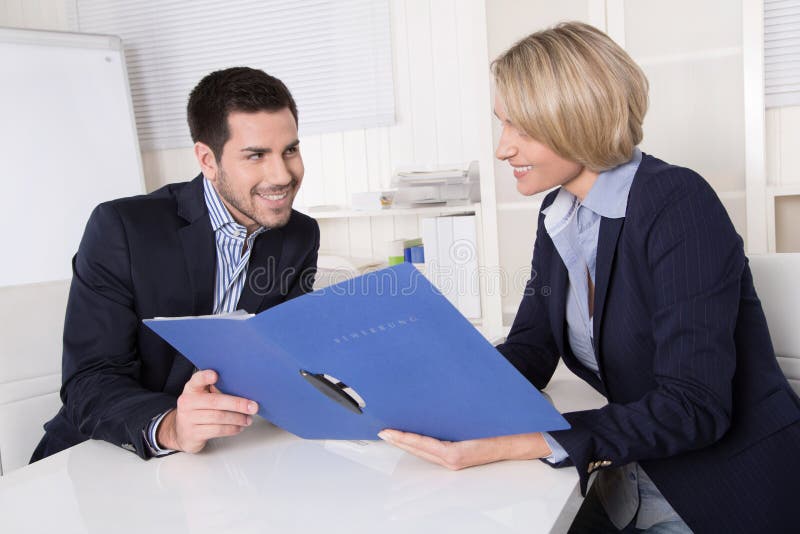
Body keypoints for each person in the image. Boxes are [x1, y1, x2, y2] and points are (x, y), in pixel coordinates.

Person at [378, 22, 799, 532]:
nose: (502, 149)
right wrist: (448, 395)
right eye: (502, 125)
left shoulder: (677, 203)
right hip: (624, 481)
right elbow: (532, 347)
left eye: (522, 129)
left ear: (577, 120)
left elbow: (694, 406)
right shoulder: (561, 213)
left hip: (721, 493)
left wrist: (512, 443)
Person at [32, 67, 319, 461]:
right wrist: (171, 426)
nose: (283, 174)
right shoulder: (123, 229)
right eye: (256, 155)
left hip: (227, 453)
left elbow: (284, 352)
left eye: (290, 150)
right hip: (104, 453)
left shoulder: (298, 235)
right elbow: (89, 379)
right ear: (207, 159)